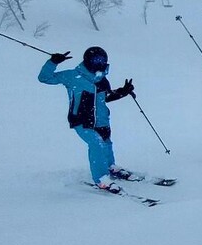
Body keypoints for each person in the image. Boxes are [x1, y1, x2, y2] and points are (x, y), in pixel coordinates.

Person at [39, 45, 136, 190]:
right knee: (96, 143)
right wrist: (53, 62)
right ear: (88, 60)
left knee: (106, 142)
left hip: (102, 119)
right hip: (82, 121)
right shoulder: (72, 76)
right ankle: (101, 178)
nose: (99, 63)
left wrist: (122, 91)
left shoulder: (102, 80)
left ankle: (111, 167)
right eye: (96, 60)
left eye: (102, 60)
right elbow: (44, 78)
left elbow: (105, 97)